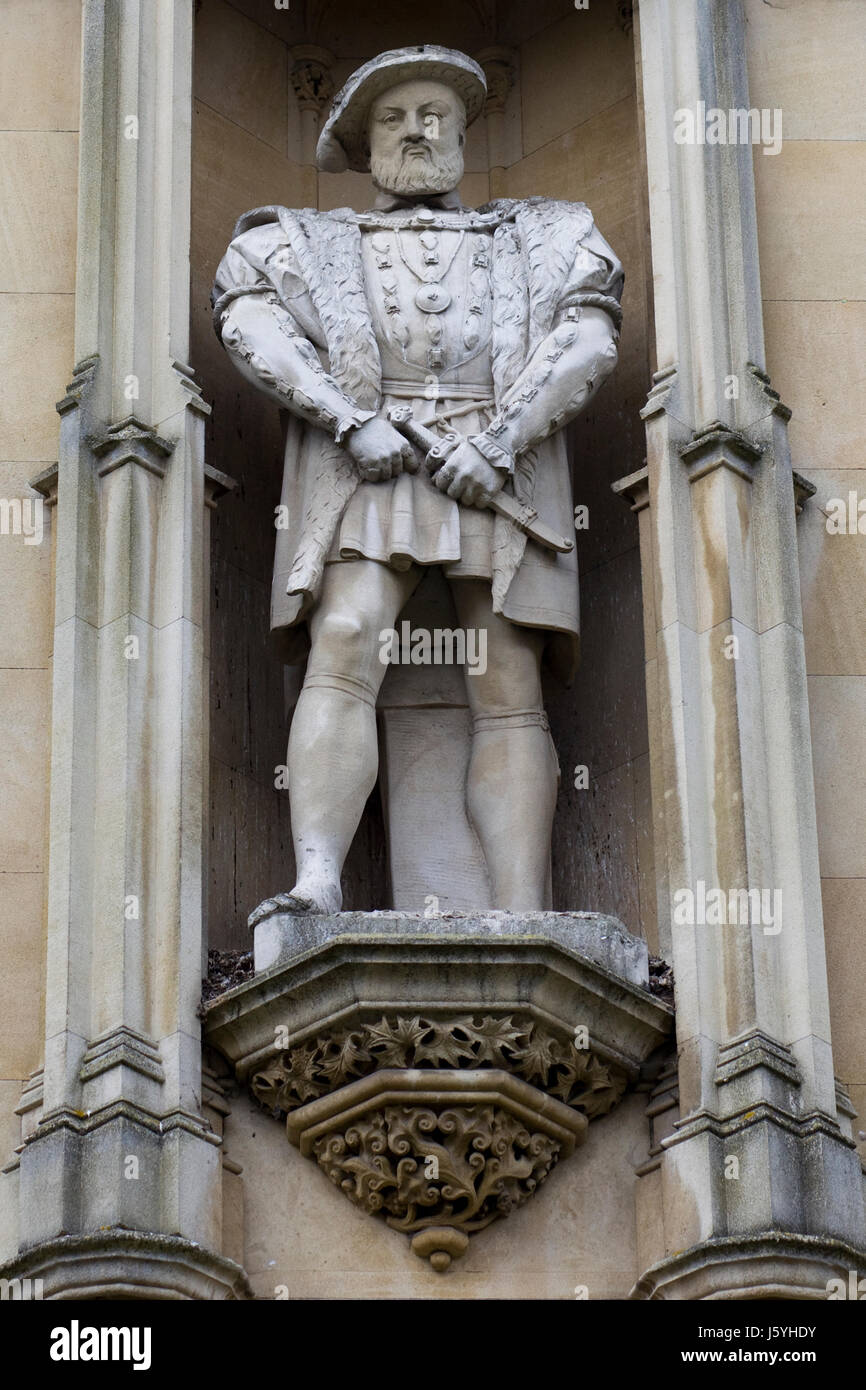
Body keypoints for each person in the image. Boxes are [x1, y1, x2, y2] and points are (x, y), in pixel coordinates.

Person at [212, 45, 623, 913]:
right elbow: (246, 316)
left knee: (507, 677)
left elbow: (589, 337)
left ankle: (522, 912)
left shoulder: (545, 234)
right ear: (363, 143)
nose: (418, 130)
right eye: (395, 118)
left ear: (466, 133)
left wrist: (503, 441)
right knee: (348, 637)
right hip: (371, 457)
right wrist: (349, 419)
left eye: (436, 113)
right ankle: (317, 879)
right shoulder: (302, 241)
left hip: (497, 462)